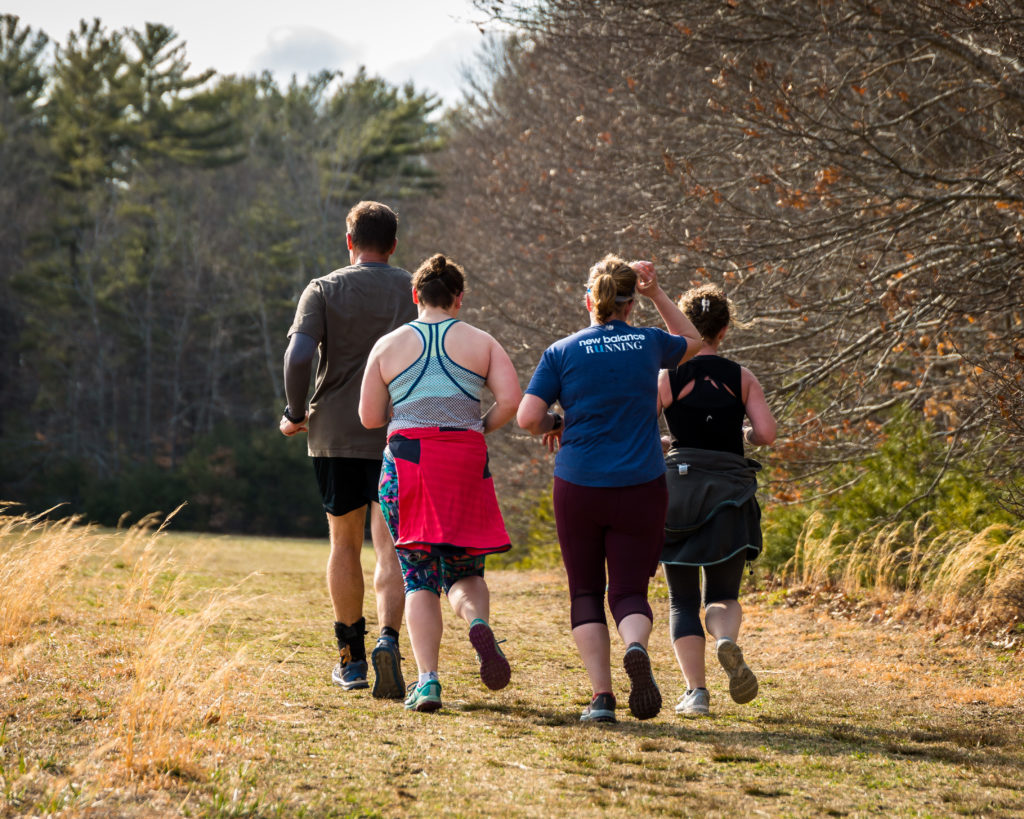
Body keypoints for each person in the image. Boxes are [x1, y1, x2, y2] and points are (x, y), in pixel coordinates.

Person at [517, 255, 702, 723]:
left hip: (579, 484)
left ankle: (602, 698)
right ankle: (635, 646)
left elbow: (527, 418)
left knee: (585, 591)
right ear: (631, 303)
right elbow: (695, 341)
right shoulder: (648, 343)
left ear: (590, 301)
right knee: (628, 591)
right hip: (641, 483)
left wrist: (559, 421)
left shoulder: (562, 351)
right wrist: (658, 291)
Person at [359, 253, 522, 713]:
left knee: (417, 576)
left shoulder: (388, 345)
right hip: (465, 457)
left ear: (416, 296)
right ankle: (478, 625)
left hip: (408, 462)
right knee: (465, 569)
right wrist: (478, 425)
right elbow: (511, 400)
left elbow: (370, 416)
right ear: (459, 298)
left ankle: (428, 682)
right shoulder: (481, 341)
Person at [280, 201, 415, 699]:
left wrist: (296, 412)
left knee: (343, 544)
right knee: (391, 545)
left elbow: (298, 354)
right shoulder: (413, 289)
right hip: (398, 430)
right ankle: (389, 643)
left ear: (349, 241)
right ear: (394, 244)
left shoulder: (323, 288)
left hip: (335, 432)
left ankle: (351, 661)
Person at [658, 283, 777, 717]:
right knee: (722, 593)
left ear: (681, 328)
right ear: (725, 330)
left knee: (682, 600)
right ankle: (726, 639)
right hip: (730, 490)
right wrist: (742, 434)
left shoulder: (667, 377)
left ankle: (697, 694)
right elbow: (765, 434)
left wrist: (666, 444)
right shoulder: (741, 377)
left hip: (680, 493)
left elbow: (637, 429)